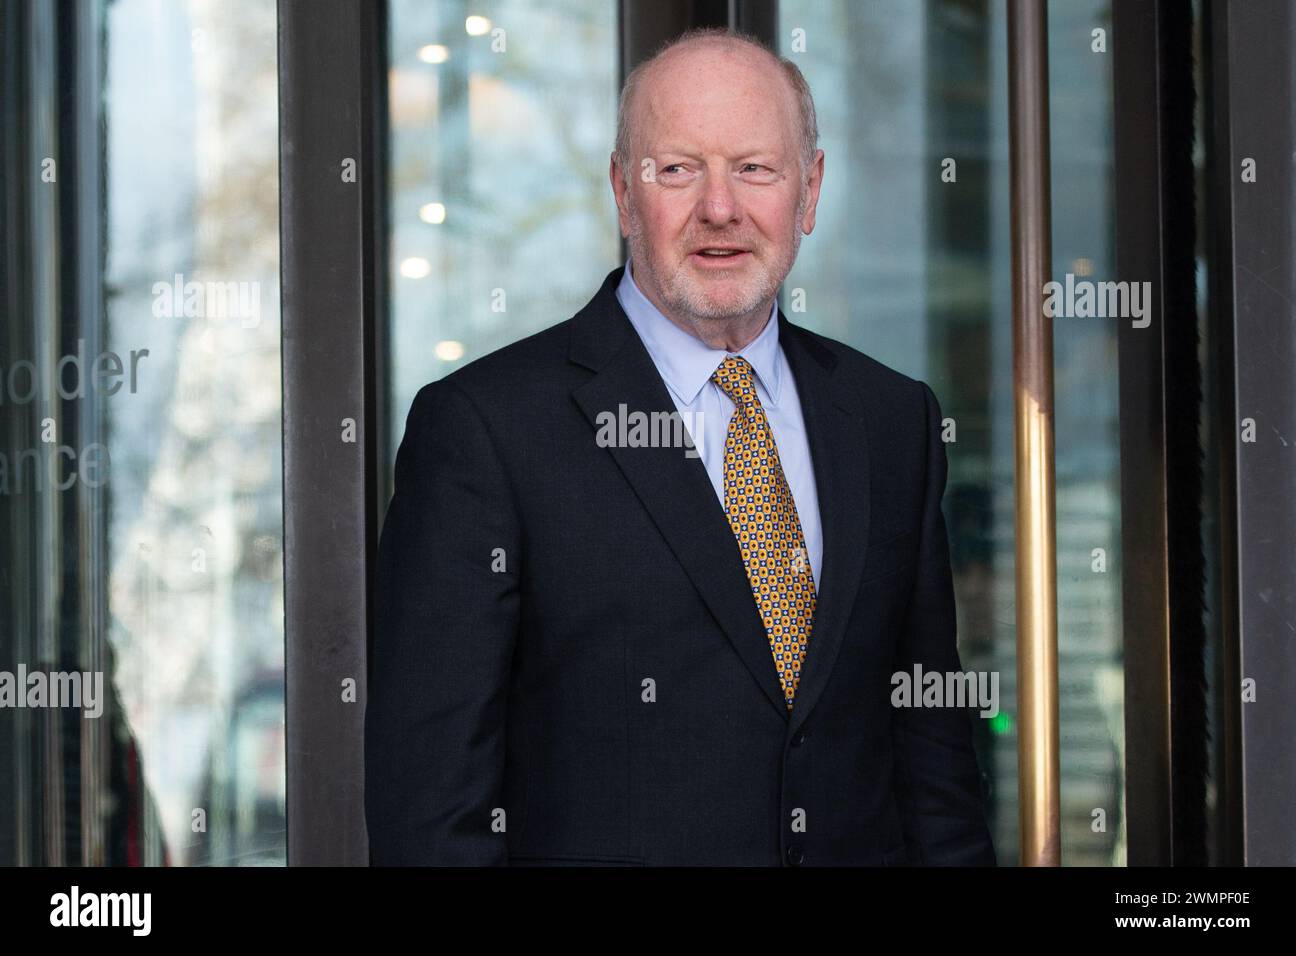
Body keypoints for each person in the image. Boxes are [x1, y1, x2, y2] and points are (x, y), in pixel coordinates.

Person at [365, 27, 995, 866]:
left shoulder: (890, 420)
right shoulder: (485, 430)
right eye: (677, 169)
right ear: (625, 194)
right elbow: (430, 812)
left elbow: (933, 764)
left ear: (809, 191)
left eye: (755, 168)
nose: (721, 207)